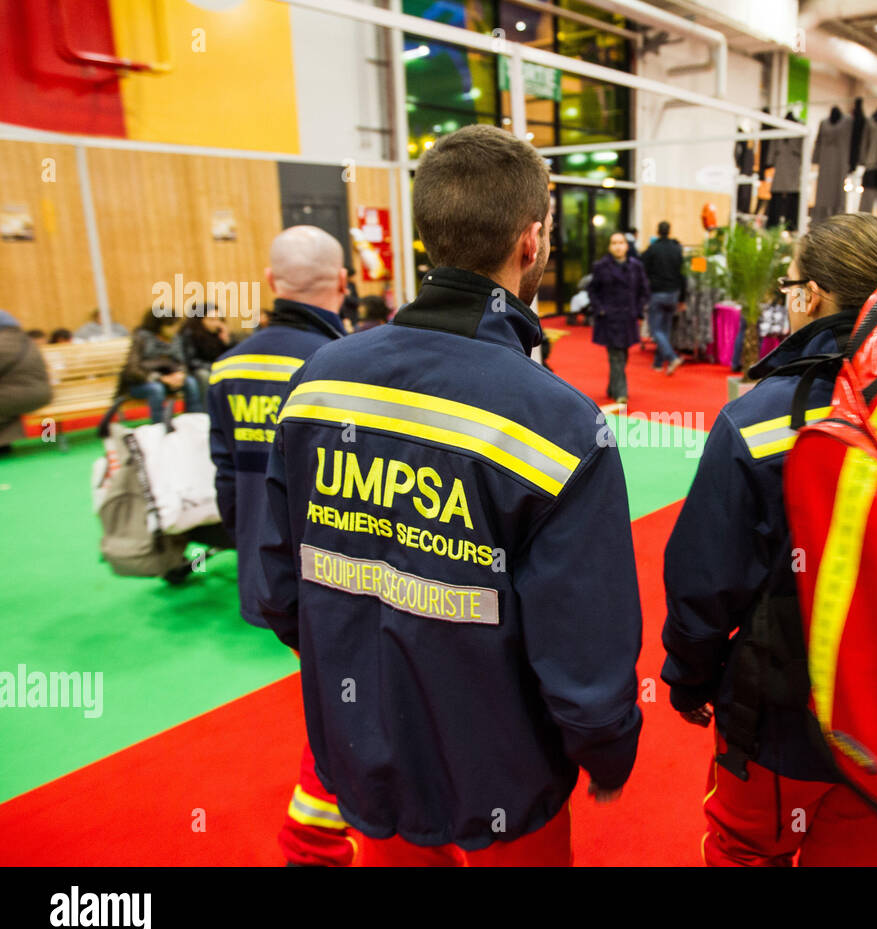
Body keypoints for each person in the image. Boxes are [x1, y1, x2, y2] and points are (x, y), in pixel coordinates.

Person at [257, 123, 643, 867]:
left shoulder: (319, 382)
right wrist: (605, 747)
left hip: (362, 742)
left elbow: (279, 584)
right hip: (505, 766)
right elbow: (582, 636)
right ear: (531, 243)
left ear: (428, 234)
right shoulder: (559, 422)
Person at [662, 212, 877, 866]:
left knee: (746, 852)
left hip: (782, 721)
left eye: (791, 285)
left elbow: (705, 581)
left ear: (815, 296)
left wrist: (689, 679)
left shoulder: (760, 418)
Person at [207, 224, 354, 866]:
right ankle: (331, 820)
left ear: (270, 283)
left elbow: (224, 475)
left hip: (264, 561)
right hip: (336, 571)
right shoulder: (344, 364)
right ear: (343, 283)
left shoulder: (227, 364)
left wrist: (245, 545)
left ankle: (322, 819)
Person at [588, 232, 649, 405]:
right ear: (609, 246)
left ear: (626, 246)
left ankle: (611, 387)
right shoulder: (601, 266)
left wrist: (638, 310)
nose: (618, 246)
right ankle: (621, 394)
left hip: (628, 318)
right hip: (609, 319)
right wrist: (600, 310)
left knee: (623, 355)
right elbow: (593, 290)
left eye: (621, 242)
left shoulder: (636, 266)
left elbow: (644, 290)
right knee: (616, 356)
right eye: (614, 243)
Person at [117, 309, 199, 423]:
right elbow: (133, 370)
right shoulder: (142, 338)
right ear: (160, 326)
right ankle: (159, 427)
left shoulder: (175, 338)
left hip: (169, 382)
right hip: (140, 383)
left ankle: (193, 422)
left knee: (190, 382)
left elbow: (181, 362)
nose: (176, 329)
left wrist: (180, 374)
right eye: (172, 326)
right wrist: (161, 378)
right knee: (156, 389)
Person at [0, 310, 53, 455]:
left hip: (22, 396)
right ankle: (4, 445)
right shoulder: (25, 341)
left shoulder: (3, 343)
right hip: (42, 392)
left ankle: (4, 445)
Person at [640, 220, 686, 374]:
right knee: (664, 331)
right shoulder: (676, 249)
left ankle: (672, 358)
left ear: (658, 231)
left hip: (657, 293)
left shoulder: (652, 249)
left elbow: (641, 269)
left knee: (655, 330)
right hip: (673, 294)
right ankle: (658, 364)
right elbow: (682, 275)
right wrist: (682, 298)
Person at [178, 303, 231, 403]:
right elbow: (191, 360)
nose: (216, 324)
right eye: (212, 320)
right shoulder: (190, 333)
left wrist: (226, 342)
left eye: (219, 320)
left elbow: (229, 358)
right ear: (200, 320)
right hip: (196, 369)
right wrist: (213, 367)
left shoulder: (219, 334)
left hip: (215, 367)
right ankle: (206, 412)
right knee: (204, 375)